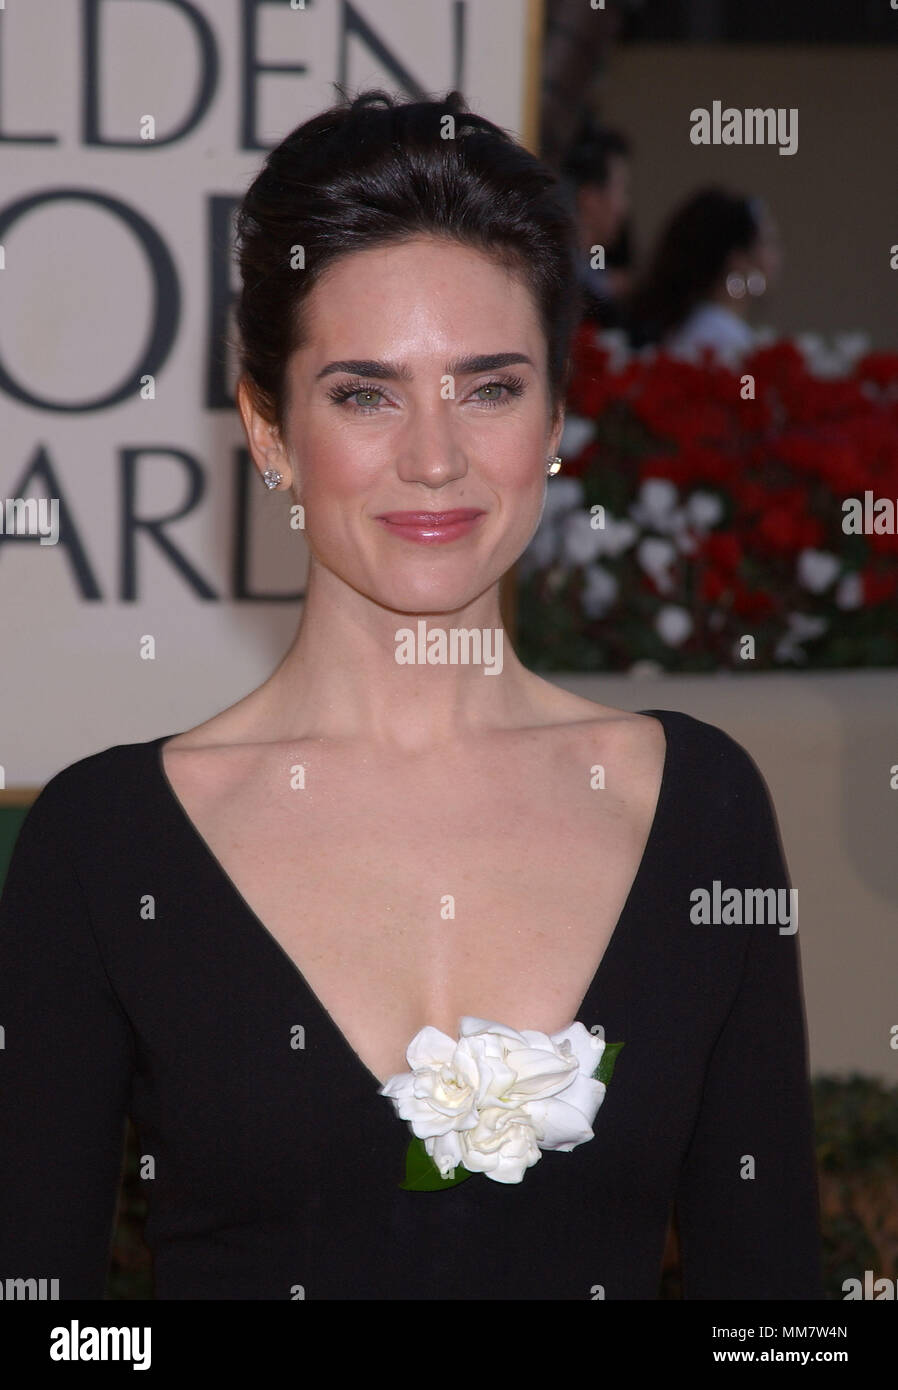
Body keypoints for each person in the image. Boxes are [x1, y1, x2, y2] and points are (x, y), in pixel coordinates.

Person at [0, 90, 822, 1300]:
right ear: (268, 428)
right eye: (364, 393)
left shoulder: (698, 809)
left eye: (488, 388)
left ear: (553, 415)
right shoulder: (107, 840)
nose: (433, 458)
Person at [624, 187, 782, 364]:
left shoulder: (702, 326)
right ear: (737, 258)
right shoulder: (720, 337)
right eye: (768, 243)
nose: (776, 258)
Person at [560, 119, 633, 328]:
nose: (624, 207)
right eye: (621, 190)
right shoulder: (564, 283)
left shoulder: (594, 276)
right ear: (590, 199)